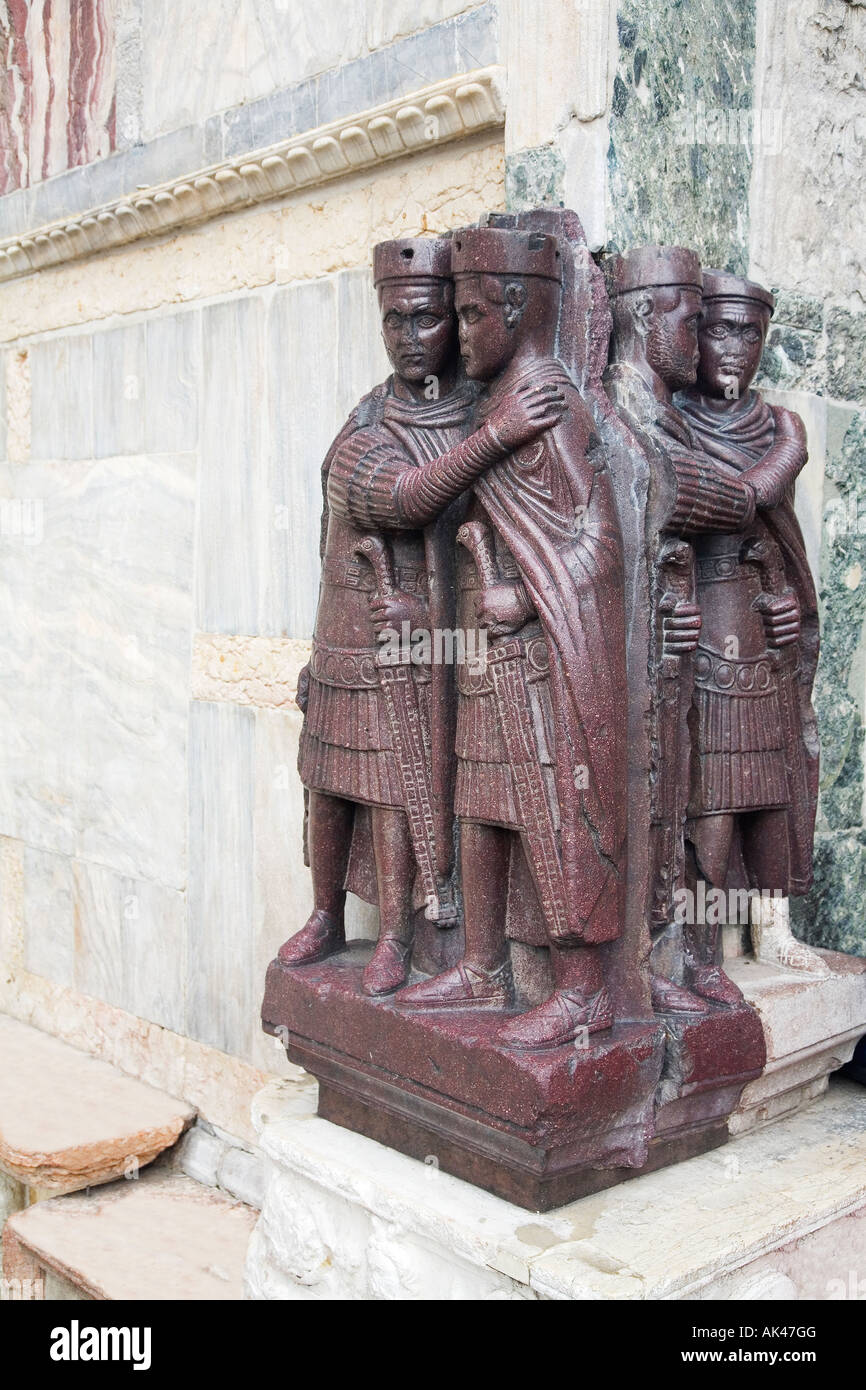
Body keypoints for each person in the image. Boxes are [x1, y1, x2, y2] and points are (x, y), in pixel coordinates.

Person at [279, 234, 563, 996]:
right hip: (353, 626)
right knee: (328, 784)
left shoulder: (480, 408)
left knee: (393, 787)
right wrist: (499, 436)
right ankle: (325, 912)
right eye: (395, 321)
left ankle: (399, 936)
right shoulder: (370, 421)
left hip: (432, 644)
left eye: (430, 319)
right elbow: (400, 498)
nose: (411, 338)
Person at [394, 225, 628, 1050]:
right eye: (450, 315)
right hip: (490, 657)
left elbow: (597, 538)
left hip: (539, 655)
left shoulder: (548, 403)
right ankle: (483, 965)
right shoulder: (499, 402)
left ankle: (585, 990)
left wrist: (526, 596)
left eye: (469, 315)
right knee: (483, 808)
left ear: (518, 310)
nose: (458, 337)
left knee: (555, 812)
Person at [678, 270, 824, 974]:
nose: (736, 347)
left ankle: (774, 928)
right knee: (707, 794)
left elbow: (781, 541)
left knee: (771, 788)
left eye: (750, 332)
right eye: (719, 329)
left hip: (761, 634)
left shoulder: (777, 424)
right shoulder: (668, 422)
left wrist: (793, 601)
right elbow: (684, 520)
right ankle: (704, 935)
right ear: (692, 334)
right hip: (700, 636)